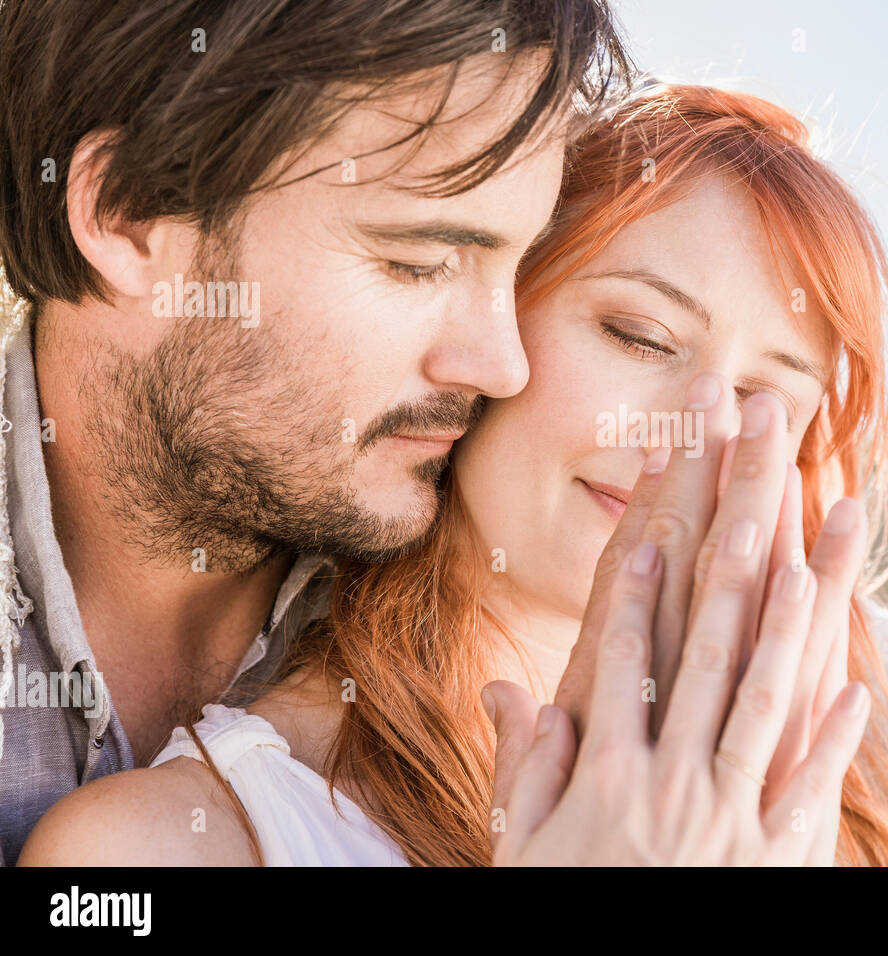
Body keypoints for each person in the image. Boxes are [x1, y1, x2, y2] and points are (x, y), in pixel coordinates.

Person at [21, 84, 888, 865]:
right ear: (491, 338)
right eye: (637, 335)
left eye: (768, 396)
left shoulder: (815, 705)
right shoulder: (161, 843)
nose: (698, 429)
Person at [0, 0, 631, 863]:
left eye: (516, 270)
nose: (502, 366)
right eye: (419, 260)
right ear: (127, 211)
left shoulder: (502, 614)